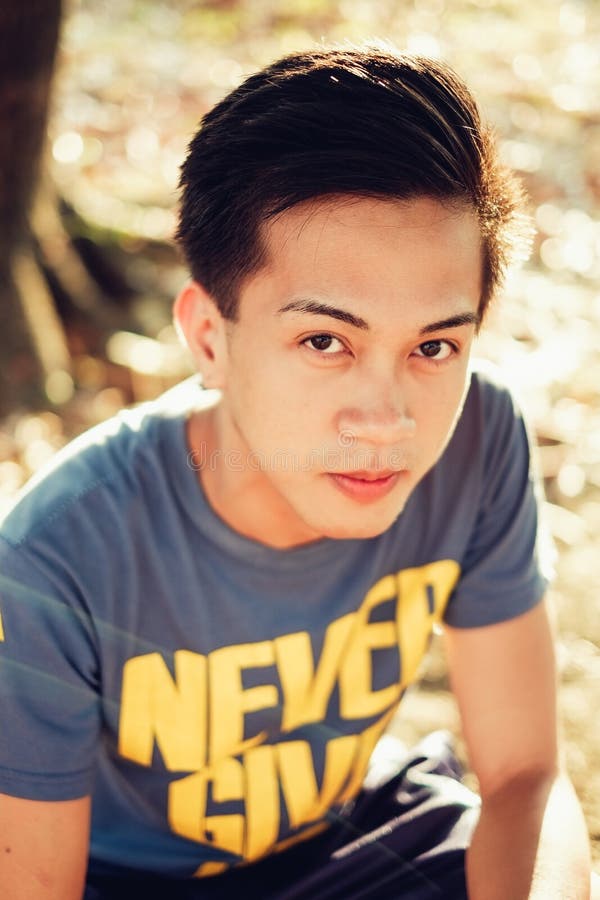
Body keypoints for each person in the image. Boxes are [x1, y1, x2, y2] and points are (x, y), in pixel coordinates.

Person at [0, 44, 596, 900]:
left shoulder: (478, 436)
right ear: (210, 337)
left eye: (434, 346)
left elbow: (521, 780)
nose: (386, 419)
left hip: (350, 844)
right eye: (326, 342)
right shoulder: (54, 556)